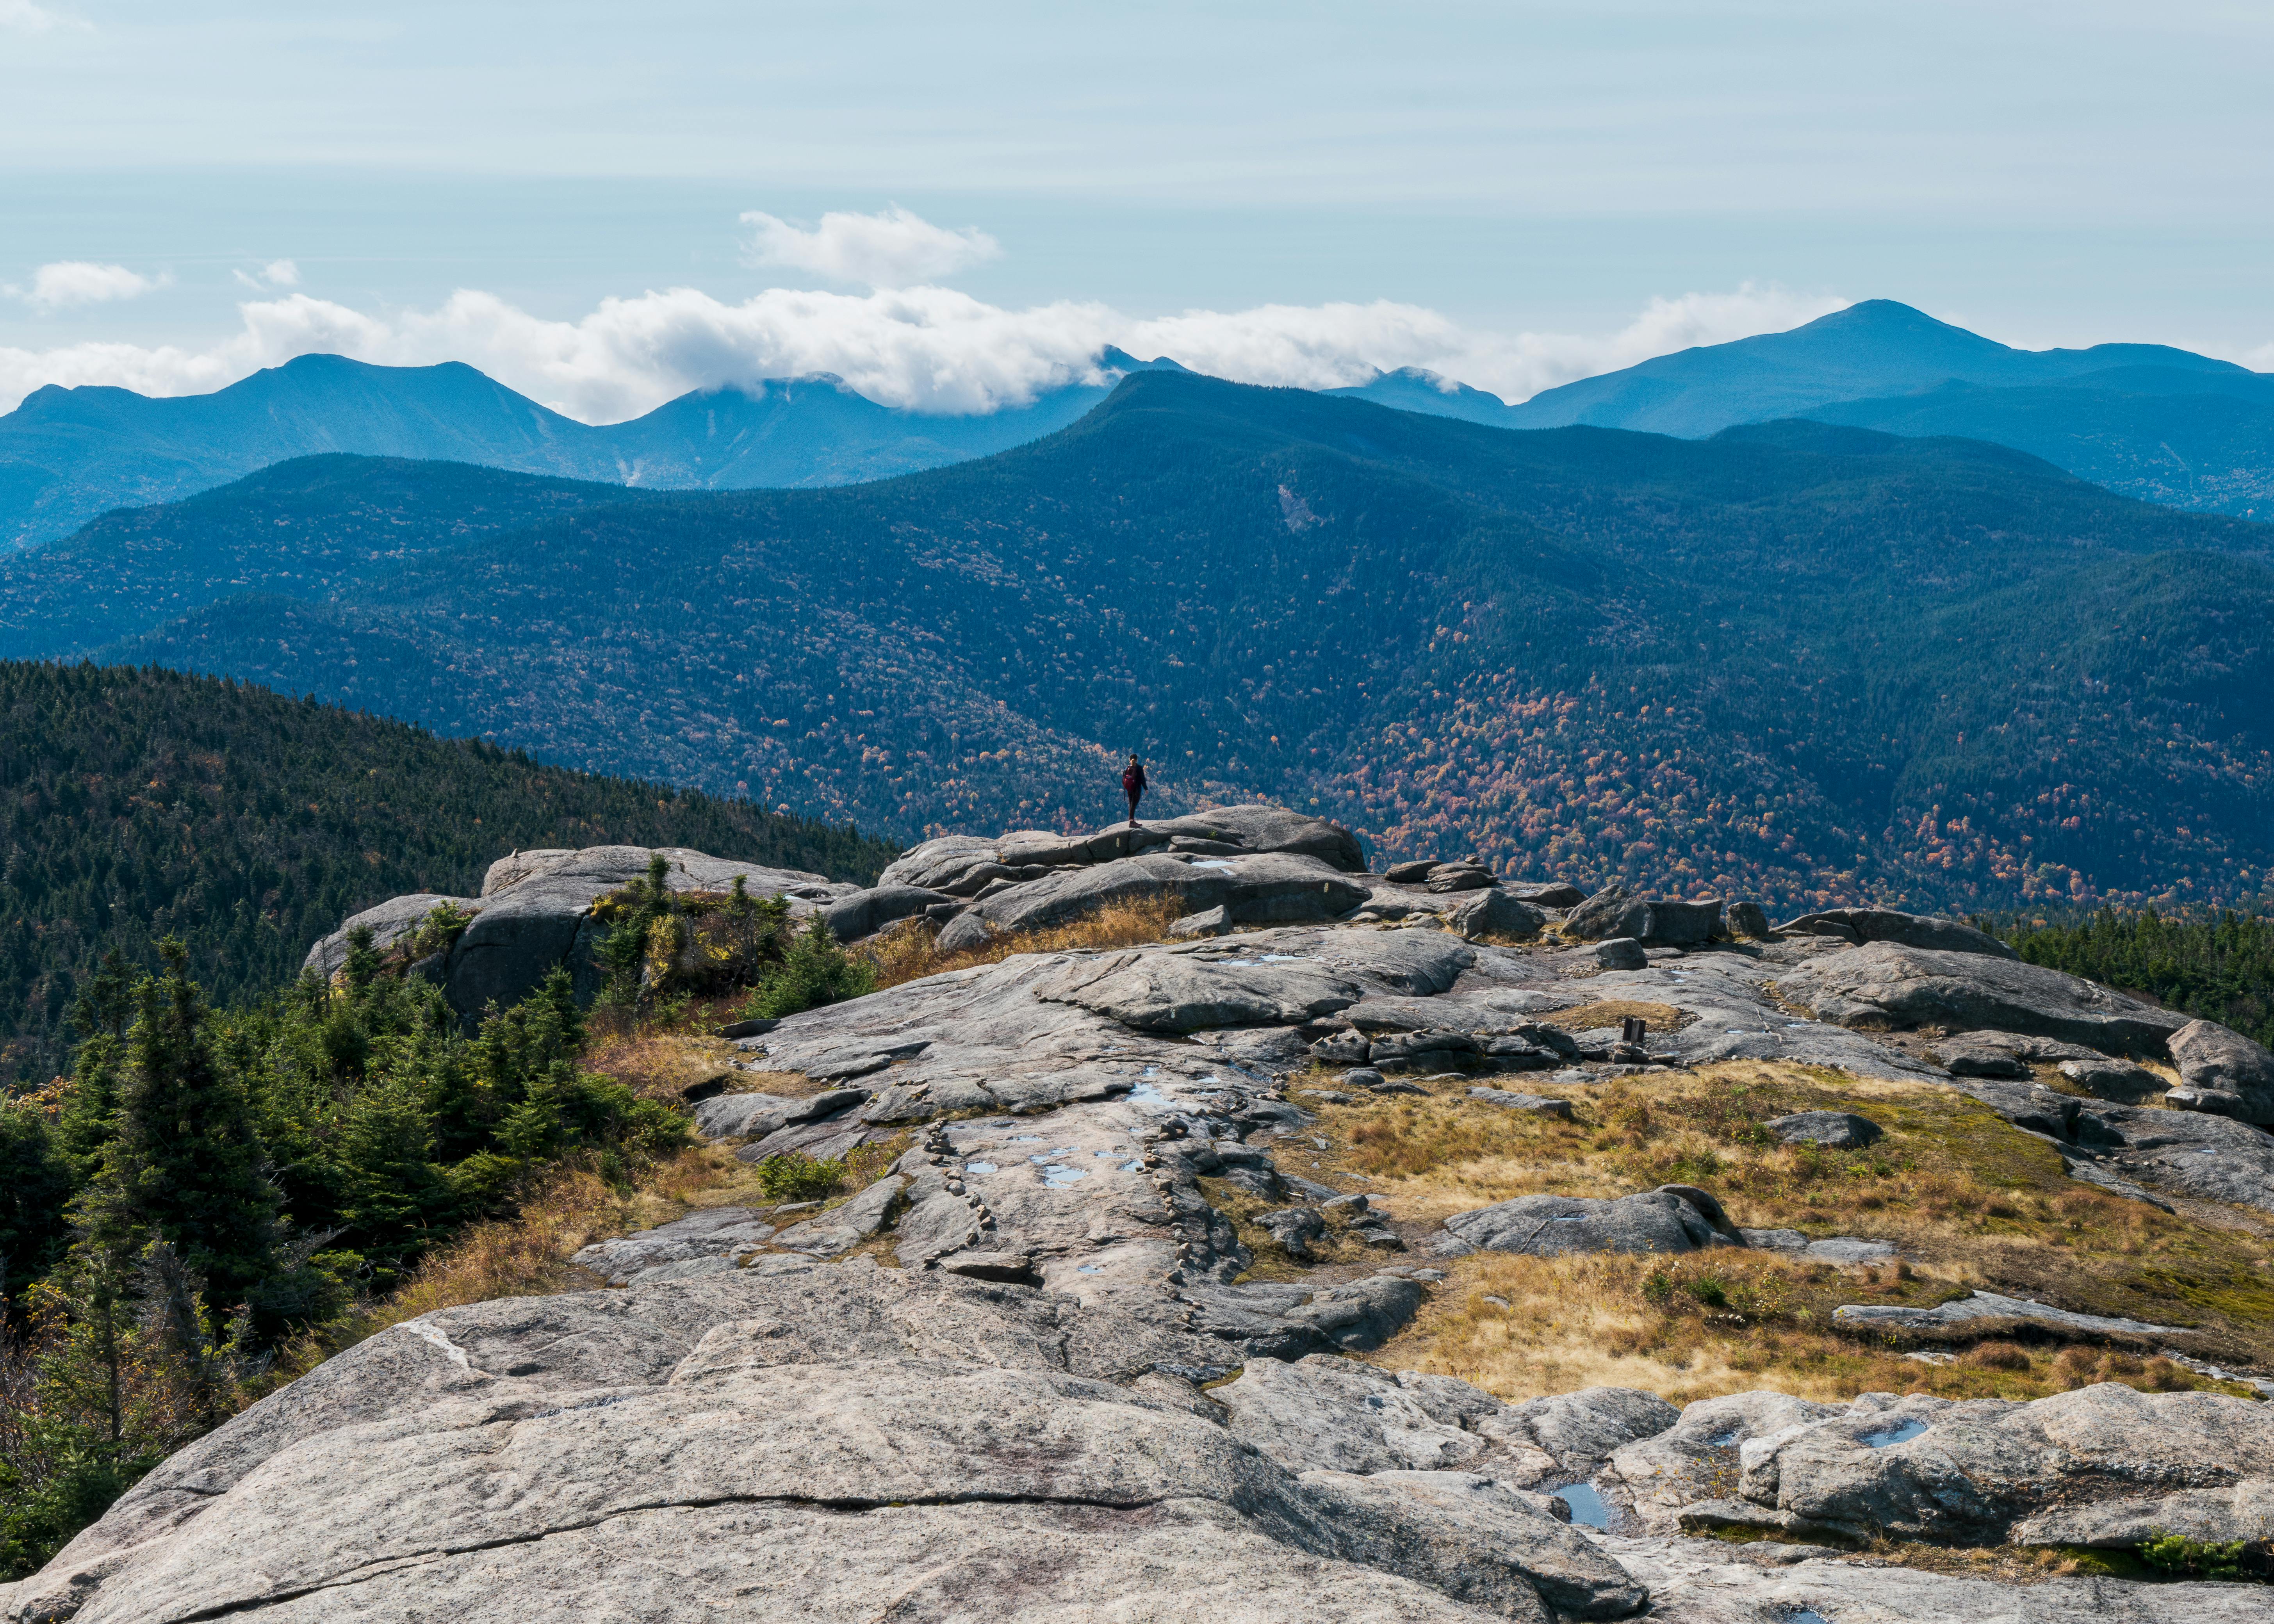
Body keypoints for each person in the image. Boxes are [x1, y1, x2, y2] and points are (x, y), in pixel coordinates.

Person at [1122, 752, 1147, 827]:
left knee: (1131, 804)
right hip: (1137, 789)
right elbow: (1143, 779)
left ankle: (1131, 820)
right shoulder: (1139, 768)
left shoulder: (1127, 768)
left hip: (1129, 789)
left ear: (1130, 760)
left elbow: (1124, 778)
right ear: (1137, 760)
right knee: (1134, 804)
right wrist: (1146, 789)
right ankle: (1132, 822)